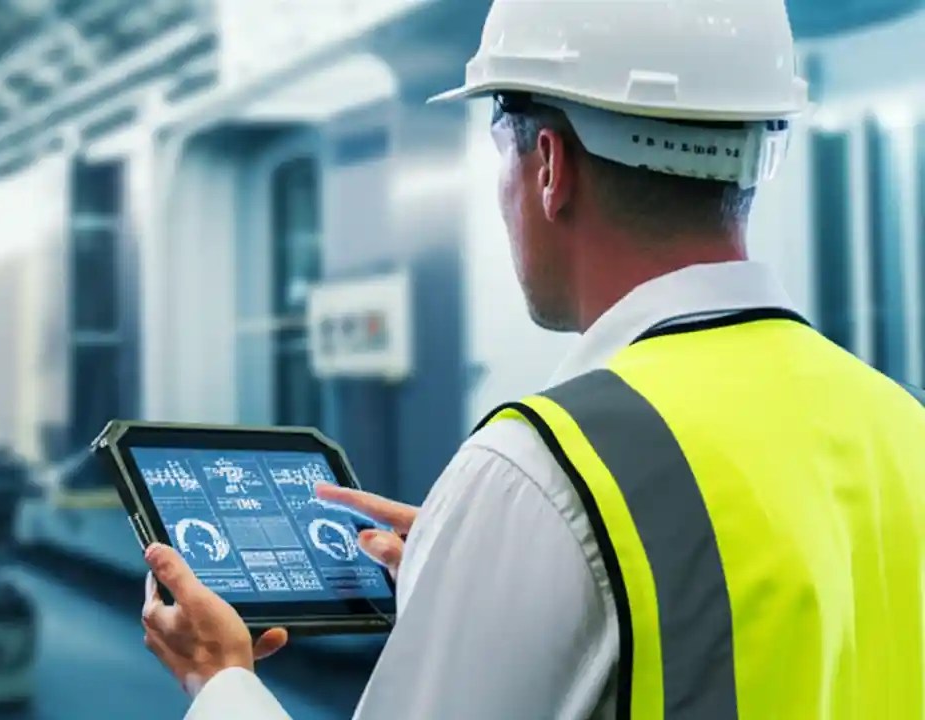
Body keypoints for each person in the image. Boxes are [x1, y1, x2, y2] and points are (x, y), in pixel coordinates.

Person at [140, 0, 925, 717]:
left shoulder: (539, 472)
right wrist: (468, 566)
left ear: (548, 166)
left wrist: (221, 679)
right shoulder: (899, 421)